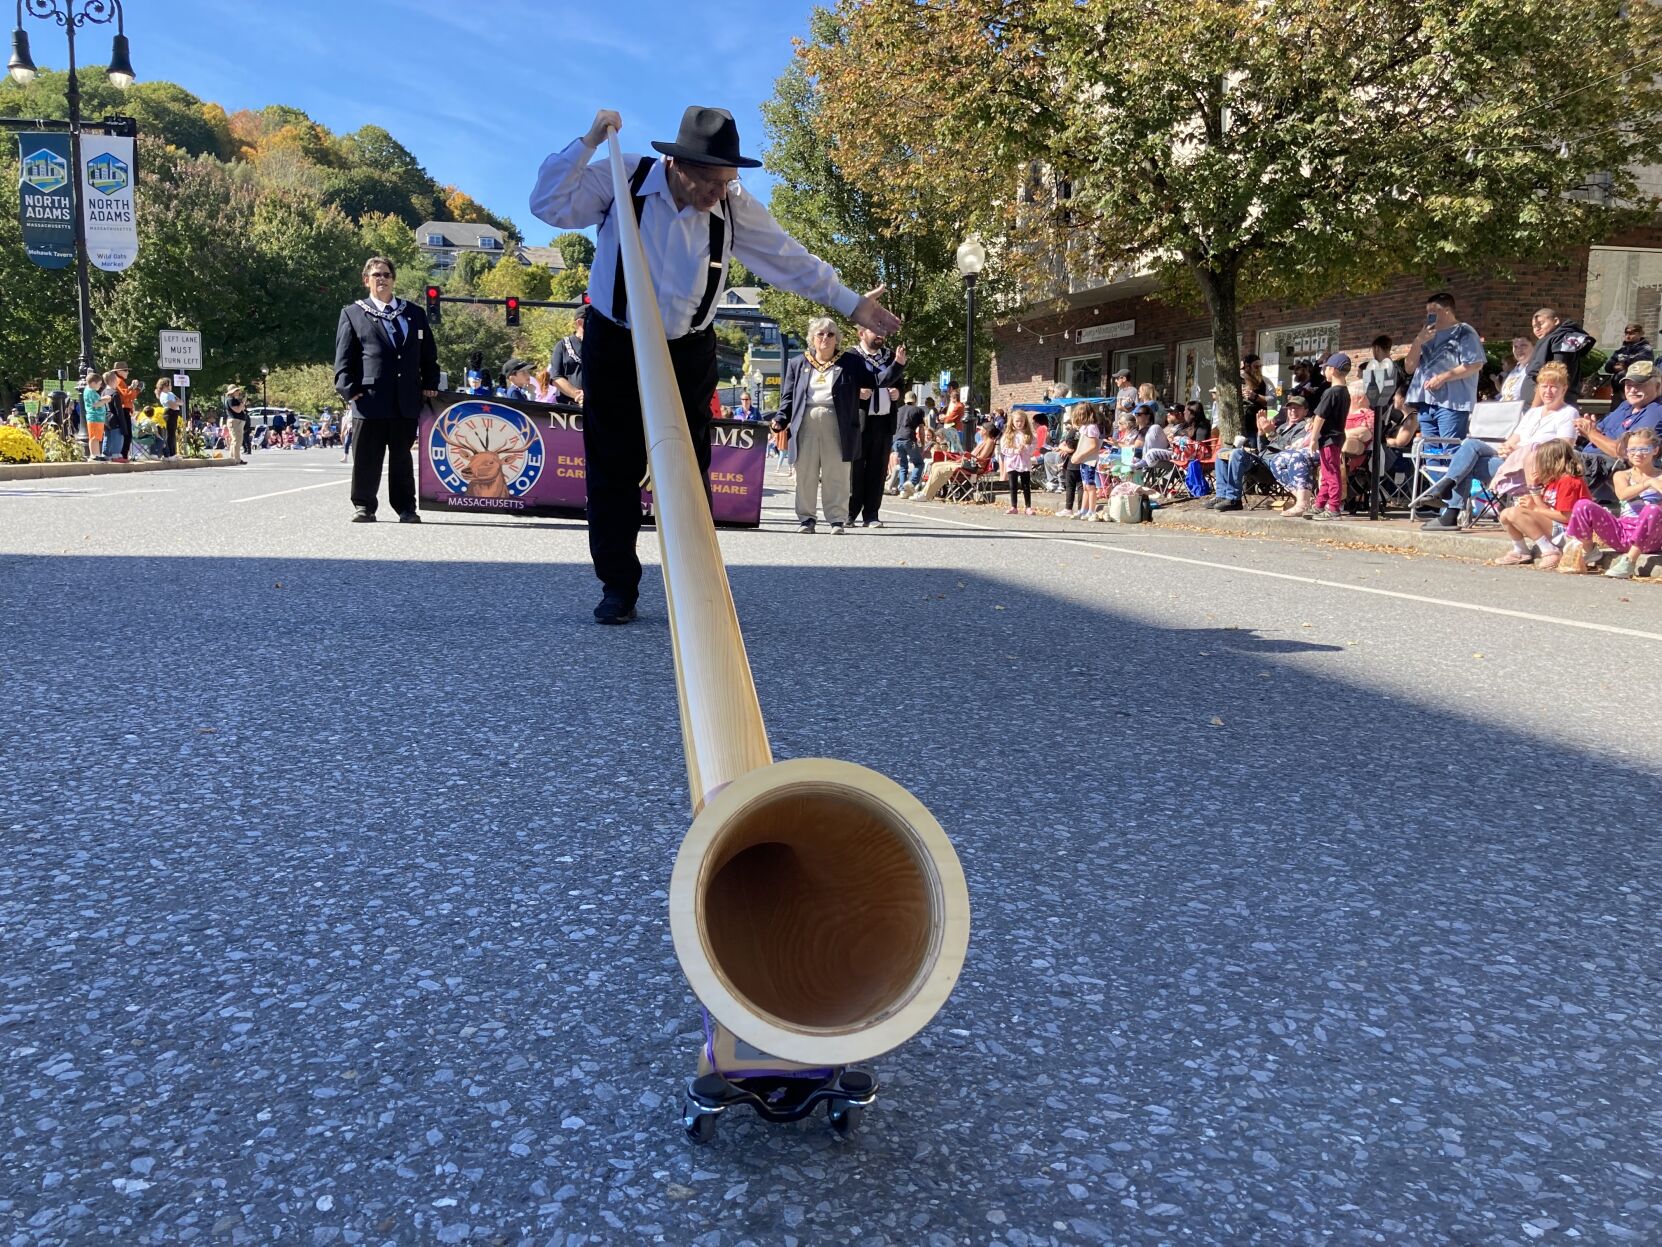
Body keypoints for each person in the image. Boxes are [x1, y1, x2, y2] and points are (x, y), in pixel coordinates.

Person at [531, 106, 900, 621]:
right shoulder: (624, 176)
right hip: (616, 342)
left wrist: (853, 304)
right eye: (709, 180)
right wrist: (590, 139)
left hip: (689, 348)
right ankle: (618, 586)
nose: (717, 192)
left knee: (686, 469)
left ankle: (695, 584)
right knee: (613, 468)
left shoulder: (731, 204)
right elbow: (547, 202)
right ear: (678, 166)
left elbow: (786, 258)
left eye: (727, 180)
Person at [332, 255, 440, 523]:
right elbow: (343, 358)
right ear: (366, 280)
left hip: (405, 398)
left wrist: (430, 382)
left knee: (402, 460)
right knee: (367, 459)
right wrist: (348, 388)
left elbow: (428, 355)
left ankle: (406, 508)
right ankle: (364, 506)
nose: (382, 279)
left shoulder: (413, 313)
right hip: (369, 399)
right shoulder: (353, 313)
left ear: (394, 279)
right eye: (376, 275)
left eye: (387, 275)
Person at [1420, 361, 1580, 529]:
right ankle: (1449, 485)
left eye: (1553, 387)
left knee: (1466, 465)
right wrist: (1507, 448)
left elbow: (1563, 450)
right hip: (1510, 463)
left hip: (1535, 470)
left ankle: (1449, 504)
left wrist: (1520, 451)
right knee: (1471, 445)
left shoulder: (1568, 413)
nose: (1548, 391)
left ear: (1564, 388)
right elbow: (1514, 438)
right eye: (1544, 386)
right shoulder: (1533, 413)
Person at [779, 318, 876, 532]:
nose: (825, 338)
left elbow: (875, 379)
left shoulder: (850, 361)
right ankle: (807, 519)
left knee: (837, 473)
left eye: (831, 334)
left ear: (837, 339)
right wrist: (780, 419)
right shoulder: (798, 363)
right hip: (806, 419)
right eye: (821, 334)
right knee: (805, 472)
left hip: (838, 421)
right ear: (812, 338)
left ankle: (836, 519)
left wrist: (897, 365)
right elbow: (788, 397)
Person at [1560, 428, 1662, 579]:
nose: (1638, 454)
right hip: (1623, 532)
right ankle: (1589, 551)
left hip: (1650, 537)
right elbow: (1622, 494)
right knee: (1583, 505)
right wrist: (1648, 483)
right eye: (1632, 449)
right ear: (1626, 452)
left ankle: (1629, 561)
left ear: (1655, 450)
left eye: (1644, 449)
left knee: (1653, 509)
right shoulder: (1622, 475)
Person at [1491, 439, 1589, 569]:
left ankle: (1549, 550)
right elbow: (1543, 509)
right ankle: (1520, 550)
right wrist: (1533, 490)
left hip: (1570, 531)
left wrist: (1535, 508)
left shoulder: (1569, 482)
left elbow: (1567, 517)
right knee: (1505, 514)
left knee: (1515, 513)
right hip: (1556, 528)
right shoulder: (1552, 481)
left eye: (1540, 463)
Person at [1209, 395, 1314, 512]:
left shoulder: (1304, 428)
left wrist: (1271, 433)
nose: (1293, 411)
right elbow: (1262, 449)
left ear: (1306, 411)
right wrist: (1260, 433)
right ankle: (1221, 495)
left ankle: (1233, 499)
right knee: (1222, 452)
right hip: (1261, 462)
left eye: (1297, 408)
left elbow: (1291, 450)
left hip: (1275, 468)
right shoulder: (1282, 427)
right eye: (1290, 408)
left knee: (1237, 454)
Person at [1404, 291, 1485, 440]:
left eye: (1434, 312)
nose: (1430, 317)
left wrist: (1443, 377)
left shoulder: (1464, 332)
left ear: (1447, 311)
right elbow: (1409, 367)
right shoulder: (1426, 334)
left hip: (1452, 403)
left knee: (1449, 449)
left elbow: (1474, 364)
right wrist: (1418, 341)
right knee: (1430, 451)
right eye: (1428, 313)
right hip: (1426, 403)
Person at [847, 327, 907, 528]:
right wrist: (856, 392)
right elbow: (842, 385)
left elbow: (901, 384)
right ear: (861, 333)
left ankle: (871, 514)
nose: (880, 334)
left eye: (882, 331)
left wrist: (898, 394)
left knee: (878, 470)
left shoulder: (891, 357)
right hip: (860, 422)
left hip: (883, 422)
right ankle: (850, 513)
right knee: (855, 470)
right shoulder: (851, 356)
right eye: (874, 331)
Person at [1574, 359, 1662, 497]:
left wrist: (1591, 433)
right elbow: (1599, 430)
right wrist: (1589, 429)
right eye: (1628, 385)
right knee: (1548, 448)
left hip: (1617, 466)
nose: (1632, 390)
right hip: (1593, 459)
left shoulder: (1655, 412)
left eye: (1640, 385)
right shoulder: (1626, 405)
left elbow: (1625, 451)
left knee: (1560, 458)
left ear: (1657, 386)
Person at [1301, 353, 1351, 521]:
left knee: (1331, 472)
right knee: (1326, 471)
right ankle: (1320, 503)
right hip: (1337, 436)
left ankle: (1334, 507)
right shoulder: (1345, 392)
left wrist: (1313, 438)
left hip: (1329, 437)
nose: (1324, 372)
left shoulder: (1331, 392)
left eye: (1326, 368)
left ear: (1334, 370)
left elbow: (1321, 416)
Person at [1519, 306, 1595, 407]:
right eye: (1534, 326)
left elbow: (1554, 377)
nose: (1537, 329)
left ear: (1556, 321)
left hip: (1547, 406)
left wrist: (1534, 409)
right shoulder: (1550, 339)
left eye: (1541, 323)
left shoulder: (1560, 339)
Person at [920, 419, 996, 499]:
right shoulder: (983, 441)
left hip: (974, 468)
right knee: (935, 465)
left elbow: (981, 459)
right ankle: (925, 493)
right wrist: (964, 456)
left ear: (986, 431)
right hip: (968, 464)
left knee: (940, 468)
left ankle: (927, 495)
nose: (980, 431)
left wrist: (967, 455)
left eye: (981, 429)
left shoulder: (989, 442)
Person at [1000, 409, 1038, 514]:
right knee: (1013, 485)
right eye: (1017, 421)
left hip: (1024, 462)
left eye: (1021, 421)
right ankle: (1013, 506)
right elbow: (1004, 449)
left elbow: (1033, 447)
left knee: (1026, 484)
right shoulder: (1008, 435)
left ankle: (1028, 506)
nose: (1019, 423)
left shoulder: (1029, 435)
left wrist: (1025, 448)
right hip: (1012, 462)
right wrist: (1015, 451)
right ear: (1012, 422)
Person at [1071, 402, 1104, 520]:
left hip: (1089, 460)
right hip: (1084, 460)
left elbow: (1094, 446)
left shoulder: (1091, 428)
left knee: (1090, 485)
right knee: (1085, 486)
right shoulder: (1085, 428)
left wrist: (1080, 455)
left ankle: (1091, 510)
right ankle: (1083, 510)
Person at [1600, 322, 1653, 394]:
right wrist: (1616, 366)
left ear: (1640, 334)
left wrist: (1624, 364)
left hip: (1636, 389)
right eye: (1626, 333)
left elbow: (1639, 363)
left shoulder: (1646, 348)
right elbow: (1608, 366)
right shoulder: (1621, 350)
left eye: (1632, 333)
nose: (1628, 336)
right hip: (1619, 389)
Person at [550, 306, 585, 407]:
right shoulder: (562, 345)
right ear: (580, 322)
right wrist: (578, 395)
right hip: (569, 408)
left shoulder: (601, 345)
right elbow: (556, 377)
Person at [892, 391, 926, 497]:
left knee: (903, 465)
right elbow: (921, 429)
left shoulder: (898, 410)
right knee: (919, 463)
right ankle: (911, 483)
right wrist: (923, 443)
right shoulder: (918, 410)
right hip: (909, 439)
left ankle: (903, 490)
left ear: (905, 400)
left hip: (896, 440)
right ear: (915, 400)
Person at [81, 371, 109, 461]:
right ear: (93, 383)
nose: (100, 386)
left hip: (98, 418)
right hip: (94, 417)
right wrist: (105, 400)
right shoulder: (90, 392)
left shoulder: (90, 391)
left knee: (97, 437)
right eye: (99, 384)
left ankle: (97, 454)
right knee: (94, 437)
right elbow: (95, 404)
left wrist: (102, 399)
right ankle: (93, 455)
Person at [1498, 336, 1533, 402]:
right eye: (1515, 347)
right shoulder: (1516, 369)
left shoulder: (1536, 369)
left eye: (1523, 345)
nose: (1519, 350)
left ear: (1534, 347)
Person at [155, 377, 182, 458]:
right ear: (164, 386)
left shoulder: (171, 394)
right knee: (170, 434)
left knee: (172, 434)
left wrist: (176, 402)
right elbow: (173, 405)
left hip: (174, 413)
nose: (171, 386)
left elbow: (181, 402)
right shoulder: (164, 395)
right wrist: (176, 402)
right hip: (170, 413)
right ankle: (169, 454)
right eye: (169, 385)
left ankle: (173, 453)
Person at [222, 385, 249, 464]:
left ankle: (234, 458)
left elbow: (242, 409)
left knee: (236, 440)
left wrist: (242, 403)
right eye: (236, 391)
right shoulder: (230, 400)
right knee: (237, 440)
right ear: (232, 392)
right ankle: (236, 459)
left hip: (238, 421)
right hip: (235, 421)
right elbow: (237, 410)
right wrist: (242, 402)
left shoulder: (235, 400)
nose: (238, 392)